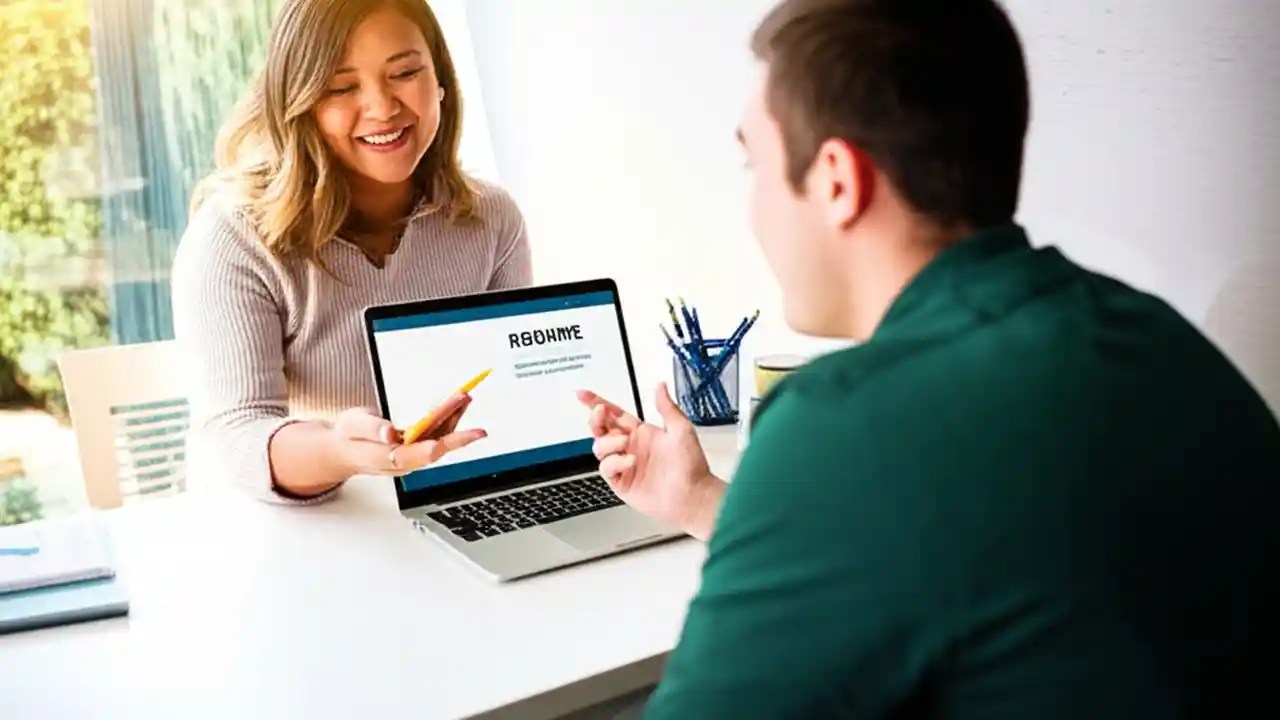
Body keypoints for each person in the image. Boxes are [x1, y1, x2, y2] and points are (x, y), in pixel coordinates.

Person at [578, 0, 1280, 717]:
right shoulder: (1164, 345)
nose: (752, 208)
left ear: (836, 183)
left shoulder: (846, 423)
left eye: (753, 164)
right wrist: (703, 501)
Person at [173, 0, 530, 503]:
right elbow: (236, 436)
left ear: (441, 80)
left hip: (446, 512)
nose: (383, 108)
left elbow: (511, 389)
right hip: (291, 528)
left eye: (405, 72)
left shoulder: (491, 218)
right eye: (342, 88)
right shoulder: (234, 236)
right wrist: (339, 451)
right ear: (297, 102)